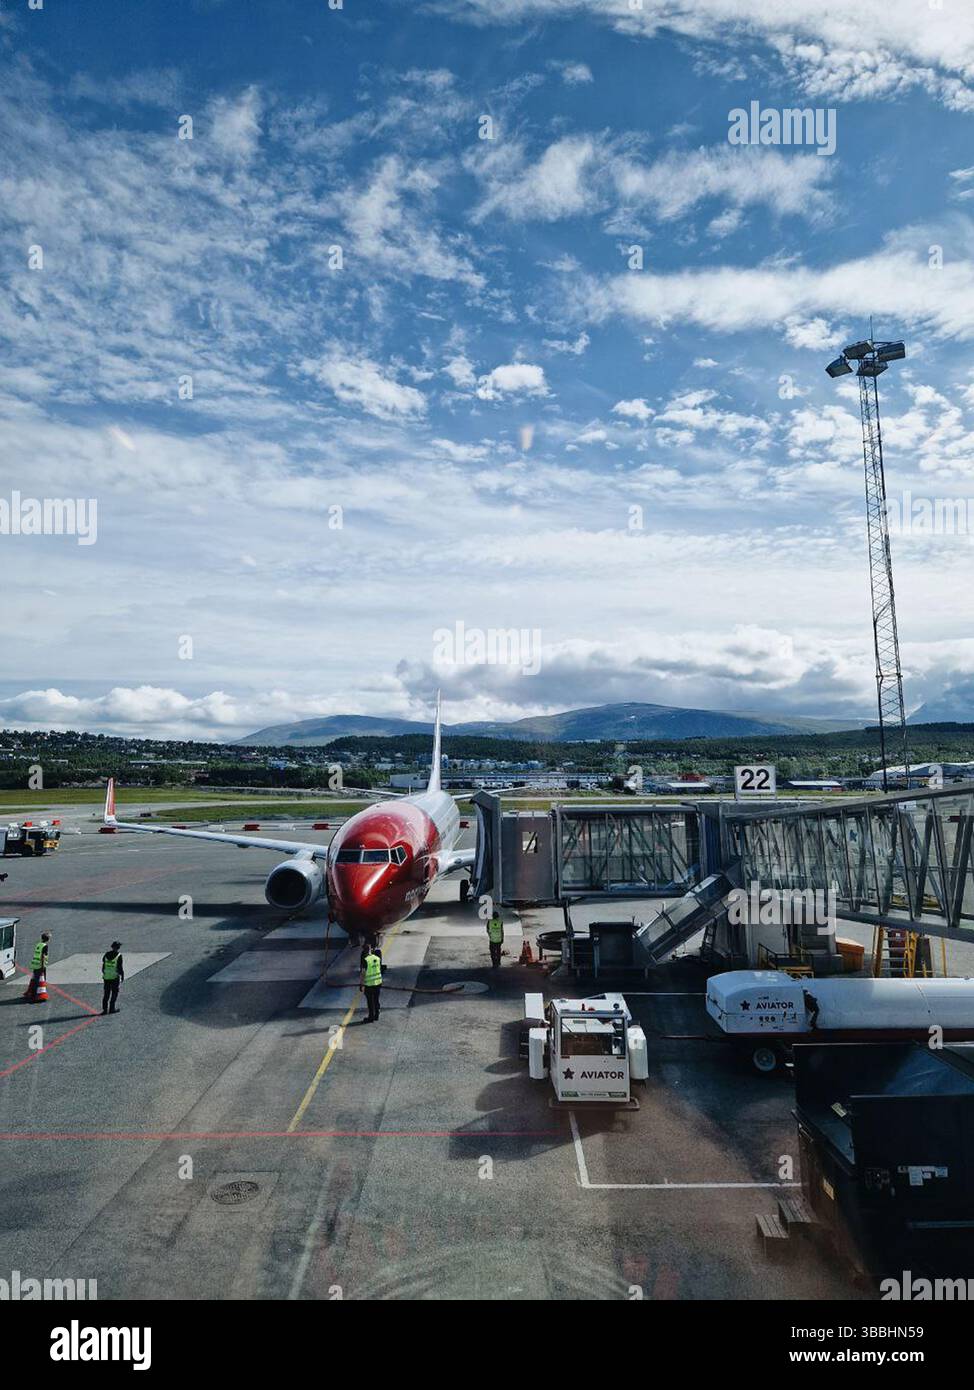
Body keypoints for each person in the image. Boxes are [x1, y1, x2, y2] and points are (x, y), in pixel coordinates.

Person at [24, 930, 51, 1002]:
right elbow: (42, 956)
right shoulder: (45, 946)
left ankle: (32, 993)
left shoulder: (38, 944)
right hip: (40, 965)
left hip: (35, 964)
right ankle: (36, 995)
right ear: (48, 939)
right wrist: (42, 966)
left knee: (35, 980)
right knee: (40, 980)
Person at [360, 942, 383, 1023]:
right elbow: (379, 969)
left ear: (364, 951)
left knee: (370, 1001)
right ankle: (377, 1015)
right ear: (371, 950)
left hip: (369, 984)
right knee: (376, 999)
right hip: (378, 983)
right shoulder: (377, 958)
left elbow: (363, 973)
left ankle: (371, 1017)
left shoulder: (365, 960)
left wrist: (361, 985)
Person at [101, 941, 124, 1015]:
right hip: (114, 977)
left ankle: (104, 1010)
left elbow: (103, 963)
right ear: (118, 948)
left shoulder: (106, 954)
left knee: (106, 993)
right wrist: (122, 975)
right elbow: (120, 967)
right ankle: (112, 1008)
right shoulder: (119, 956)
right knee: (114, 992)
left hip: (106, 977)